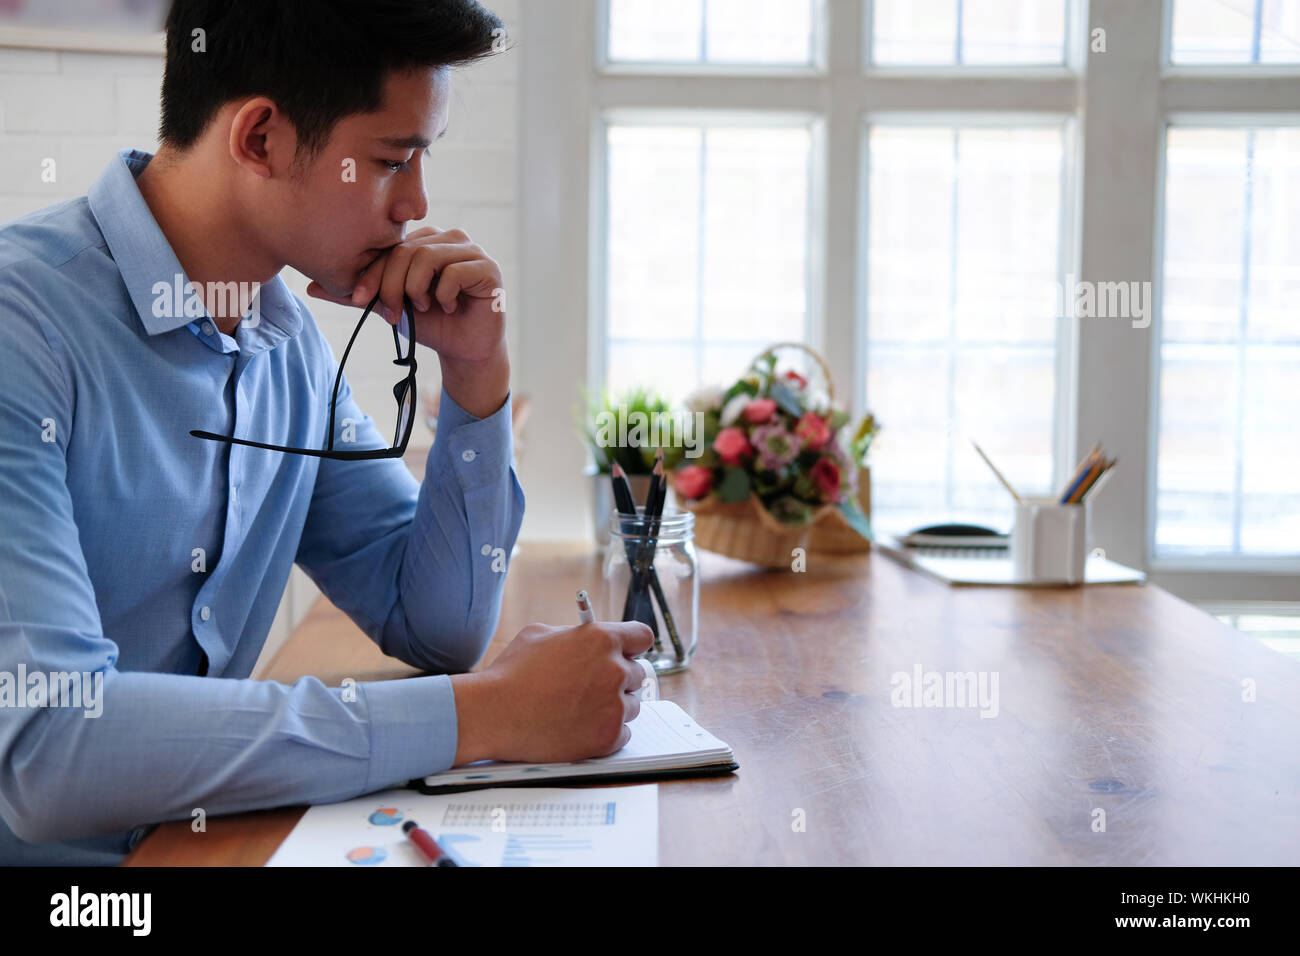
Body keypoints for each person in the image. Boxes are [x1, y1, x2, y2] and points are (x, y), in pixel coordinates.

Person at [0, 0, 651, 865]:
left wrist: (475, 377)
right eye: (392, 159)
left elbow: (434, 626)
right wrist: (486, 713)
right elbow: (51, 749)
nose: (415, 203)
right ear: (262, 138)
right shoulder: (23, 330)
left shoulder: (285, 341)